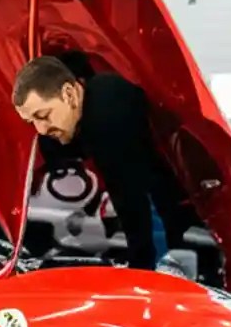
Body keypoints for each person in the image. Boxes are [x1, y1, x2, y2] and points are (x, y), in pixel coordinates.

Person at [12, 55, 202, 271]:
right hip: (174, 201)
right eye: (32, 121)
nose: (41, 129)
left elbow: (133, 198)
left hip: (183, 203)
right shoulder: (91, 96)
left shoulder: (107, 117)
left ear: (69, 94)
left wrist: (142, 268)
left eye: (43, 116)